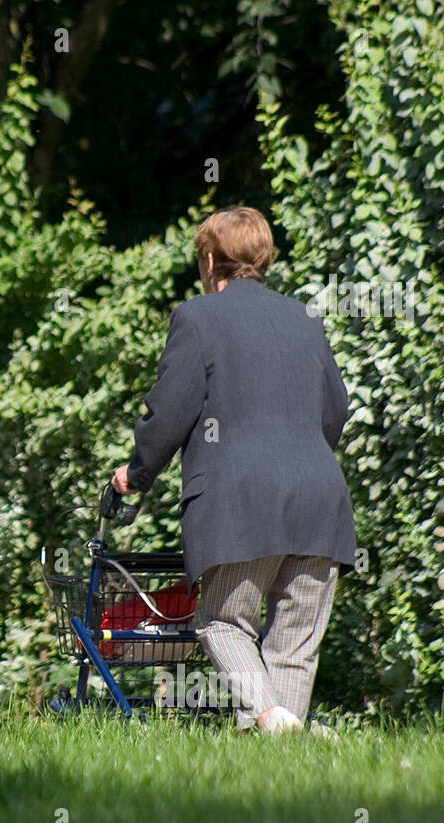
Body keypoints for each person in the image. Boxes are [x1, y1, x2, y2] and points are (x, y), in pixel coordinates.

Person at [111, 206, 356, 735]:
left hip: (241, 503)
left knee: (223, 622)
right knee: (294, 645)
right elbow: (336, 410)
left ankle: (268, 716)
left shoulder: (197, 317)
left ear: (208, 259)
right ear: (263, 258)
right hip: (320, 504)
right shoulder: (305, 319)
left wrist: (138, 473)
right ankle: (283, 752)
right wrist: (300, 456)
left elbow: (169, 411)